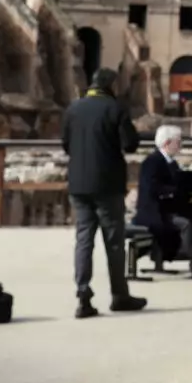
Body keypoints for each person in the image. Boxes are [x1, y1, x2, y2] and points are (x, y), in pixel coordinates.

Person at [61, 69, 145, 318]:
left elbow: (65, 144)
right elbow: (130, 143)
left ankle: (83, 294)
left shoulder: (73, 109)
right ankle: (119, 295)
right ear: (111, 85)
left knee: (84, 240)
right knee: (114, 242)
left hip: (78, 184)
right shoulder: (115, 108)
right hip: (108, 185)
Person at [133, 125, 192, 286]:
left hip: (167, 209)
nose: (180, 145)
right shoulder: (152, 162)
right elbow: (153, 188)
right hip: (154, 212)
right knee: (186, 224)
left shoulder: (171, 162)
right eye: (178, 141)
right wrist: (174, 192)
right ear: (167, 143)